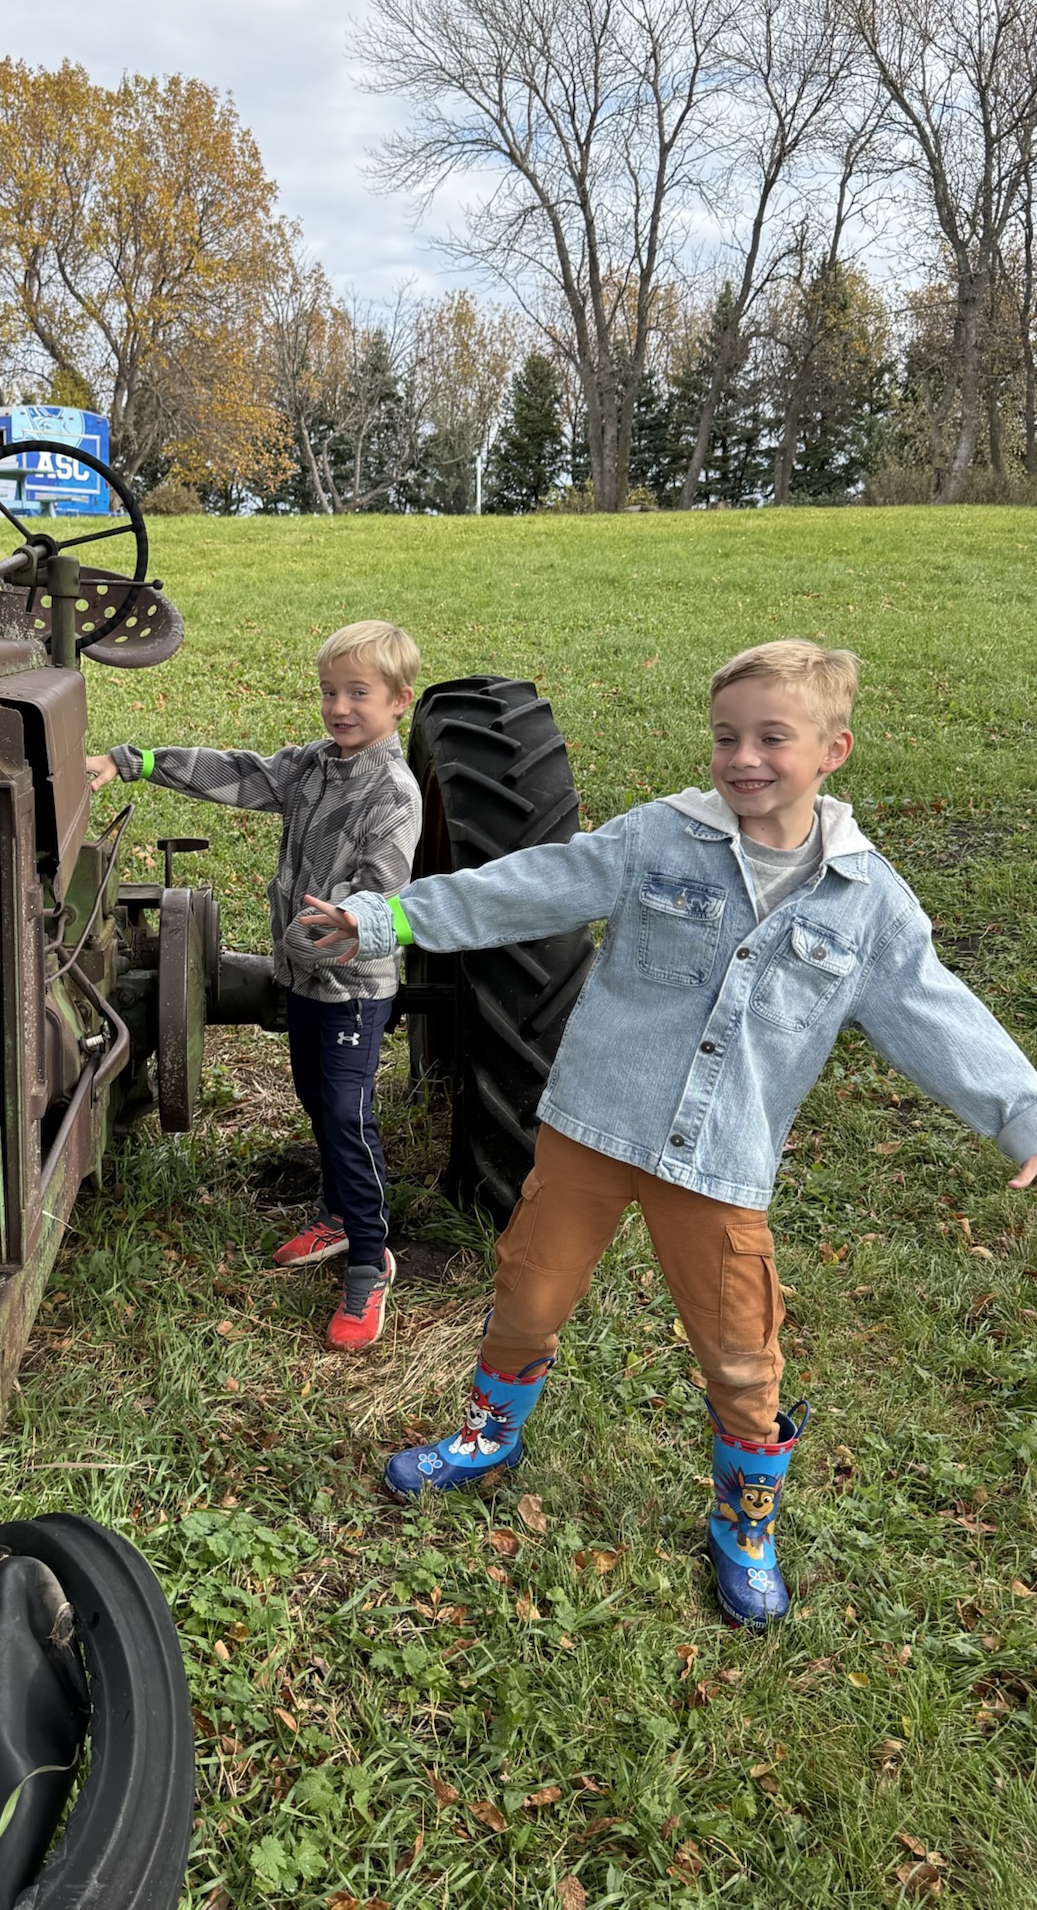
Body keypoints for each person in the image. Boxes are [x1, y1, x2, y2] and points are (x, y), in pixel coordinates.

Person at [301, 640, 1037, 1628]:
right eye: (728, 735)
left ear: (833, 749)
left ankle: (744, 1524)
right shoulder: (659, 838)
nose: (744, 757)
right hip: (593, 1127)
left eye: (773, 737)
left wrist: (1021, 1108)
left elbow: (935, 1012)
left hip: (720, 1159)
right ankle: (486, 1436)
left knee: (742, 1351)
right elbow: (526, 885)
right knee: (526, 1293)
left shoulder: (870, 907)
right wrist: (389, 915)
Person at [87, 620, 422, 1350]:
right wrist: (137, 760)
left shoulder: (393, 792)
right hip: (302, 981)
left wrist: (325, 932)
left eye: (358, 693)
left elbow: (381, 893)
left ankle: (370, 1260)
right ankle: (336, 1217)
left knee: (345, 1115)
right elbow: (234, 772)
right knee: (314, 1097)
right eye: (330, 691)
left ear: (399, 701)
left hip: (352, 989)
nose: (339, 706)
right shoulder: (313, 766)